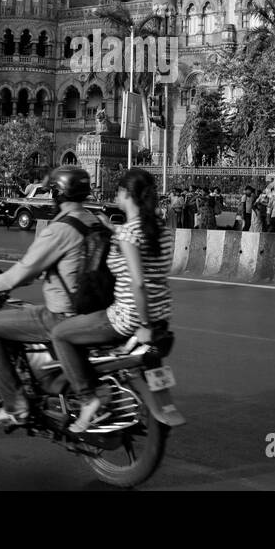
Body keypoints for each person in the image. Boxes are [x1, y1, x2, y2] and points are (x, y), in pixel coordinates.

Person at [0, 166, 97, 425]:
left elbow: (22, 273)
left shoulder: (59, 229)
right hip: (93, 310)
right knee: (23, 312)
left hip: (61, 315)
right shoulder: (96, 222)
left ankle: (15, 405)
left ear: (58, 195)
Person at [51, 167, 174, 433]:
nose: (116, 194)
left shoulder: (129, 234)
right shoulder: (161, 230)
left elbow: (138, 281)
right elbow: (145, 254)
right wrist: (113, 230)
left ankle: (88, 398)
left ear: (127, 194)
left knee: (60, 333)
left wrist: (142, 323)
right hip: (162, 315)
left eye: (119, 190)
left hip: (130, 317)